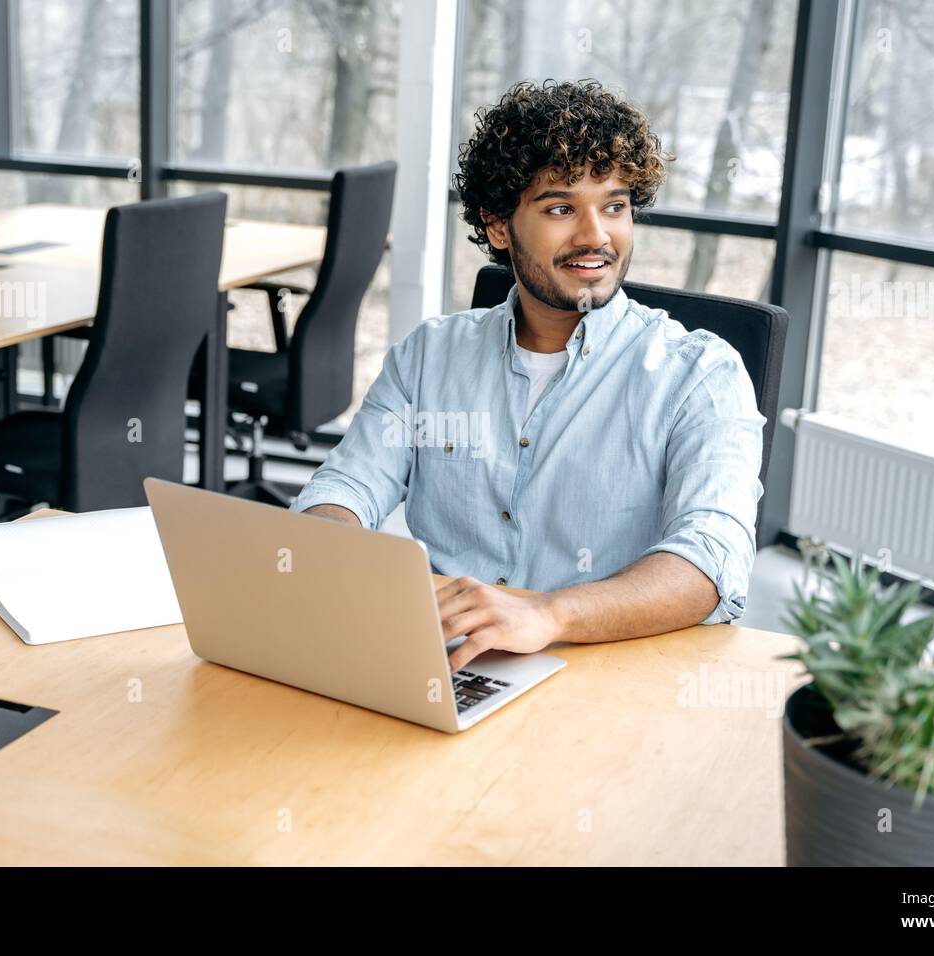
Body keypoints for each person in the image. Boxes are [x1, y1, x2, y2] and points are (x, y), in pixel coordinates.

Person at [292, 79, 765, 671]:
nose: (596, 236)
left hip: (605, 674)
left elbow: (710, 560)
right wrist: (328, 551)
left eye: (614, 205)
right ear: (497, 225)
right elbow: (345, 489)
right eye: (561, 207)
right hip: (449, 663)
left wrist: (548, 614)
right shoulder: (428, 356)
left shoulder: (701, 375)